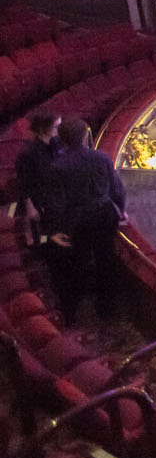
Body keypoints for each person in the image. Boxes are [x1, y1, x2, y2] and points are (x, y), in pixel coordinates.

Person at [46, 117, 128, 324]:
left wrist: (54, 229)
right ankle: (107, 310)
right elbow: (117, 188)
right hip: (105, 214)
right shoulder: (102, 157)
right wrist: (121, 210)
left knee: (76, 263)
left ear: (62, 139)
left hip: (77, 220)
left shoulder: (57, 166)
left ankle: (71, 313)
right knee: (106, 260)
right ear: (85, 136)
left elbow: (56, 203)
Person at [14, 111, 61, 248]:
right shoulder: (27, 153)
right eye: (56, 127)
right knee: (43, 237)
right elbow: (24, 183)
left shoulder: (56, 144)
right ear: (42, 129)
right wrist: (30, 207)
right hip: (39, 200)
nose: (59, 130)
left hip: (55, 199)